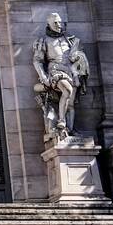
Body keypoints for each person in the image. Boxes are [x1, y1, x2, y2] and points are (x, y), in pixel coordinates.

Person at [32, 12, 89, 141]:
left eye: (59, 22)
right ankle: (61, 121)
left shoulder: (69, 39)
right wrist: (44, 77)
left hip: (71, 72)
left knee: (71, 104)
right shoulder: (44, 40)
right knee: (67, 90)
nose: (58, 25)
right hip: (56, 71)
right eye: (55, 23)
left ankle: (69, 129)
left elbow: (76, 56)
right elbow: (37, 61)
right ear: (49, 24)